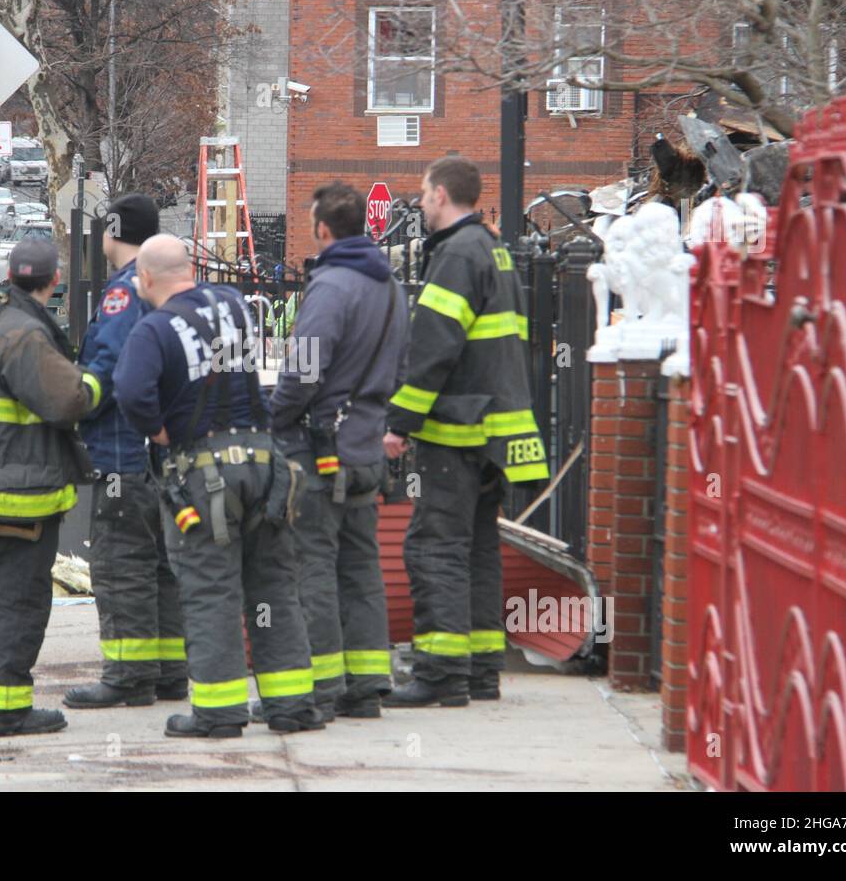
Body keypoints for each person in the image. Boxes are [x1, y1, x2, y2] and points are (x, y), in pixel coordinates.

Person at [113, 234, 323, 738]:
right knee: (272, 587)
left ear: (144, 279)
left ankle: (219, 711)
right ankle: (291, 705)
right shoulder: (235, 306)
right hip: (264, 465)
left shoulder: (155, 328)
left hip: (204, 476)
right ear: (190, 269)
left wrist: (160, 431)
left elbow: (129, 390)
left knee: (212, 592)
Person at [382, 156, 550, 707]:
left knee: (435, 547)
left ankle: (440, 672)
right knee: (478, 547)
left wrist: (399, 423)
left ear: (440, 195)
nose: (421, 202)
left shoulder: (456, 254)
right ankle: (480, 669)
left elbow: (433, 349)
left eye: (423, 192)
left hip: (457, 430)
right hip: (497, 432)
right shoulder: (494, 250)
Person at [0, 233, 98, 738]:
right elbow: (69, 399)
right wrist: (99, 379)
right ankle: (4, 710)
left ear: (11, 276)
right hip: (18, 498)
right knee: (19, 602)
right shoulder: (26, 336)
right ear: (53, 281)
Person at [271, 182, 409, 720]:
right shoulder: (390, 287)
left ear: (323, 229)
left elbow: (302, 373)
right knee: (360, 564)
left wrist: (277, 416)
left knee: (314, 566)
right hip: (367, 448)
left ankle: (319, 689)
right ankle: (367, 682)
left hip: (320, 450)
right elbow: (400, 368)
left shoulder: (329, 288)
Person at [65, 194, 187, 709]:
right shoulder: (170, 289)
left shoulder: (124, 292)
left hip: (120, 451)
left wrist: (69, 403)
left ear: (110, 232)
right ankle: (168, 670)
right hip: (161, 457)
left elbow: (108, 370)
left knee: (121, 565)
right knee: (160, 563)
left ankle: (129, 675)